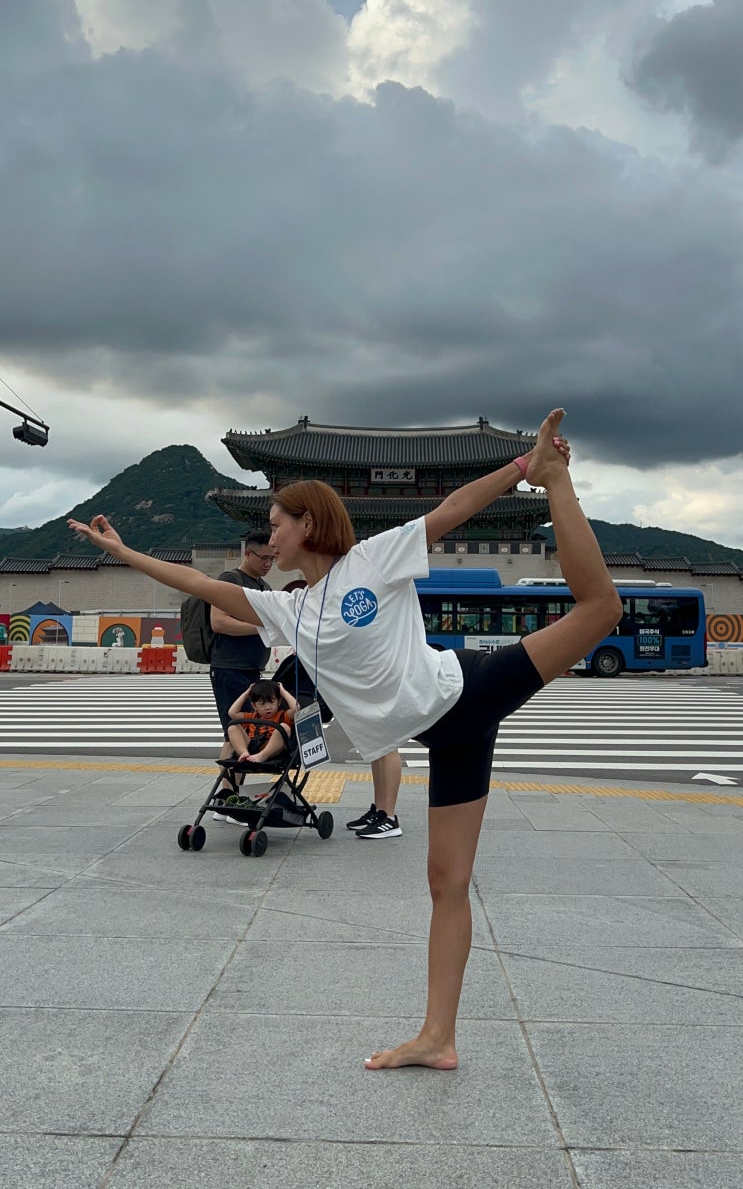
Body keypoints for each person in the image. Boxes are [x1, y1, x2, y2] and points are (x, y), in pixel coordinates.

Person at [69, 409, 621, 1072]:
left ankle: (561, 480)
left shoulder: (372, 559)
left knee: (601, 611)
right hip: (445, 740)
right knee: (445, 880)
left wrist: (525, 469)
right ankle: (437, 1037)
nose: (268, 534)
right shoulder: (288, 608)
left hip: (469, 687)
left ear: (307, 523)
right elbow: (201, 584)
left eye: (276, 521)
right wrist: (126, 554)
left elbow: (451, 508)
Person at [209, 532, 274, 772]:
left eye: (272, 559)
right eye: (263, 558)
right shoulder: (230, 579)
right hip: (229, 667)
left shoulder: (263, 585)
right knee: (234, 732)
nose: (268, 564)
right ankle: (226, 796)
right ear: (248, 553)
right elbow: (219, 622)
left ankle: (231, 794)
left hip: (251, 669)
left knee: (247, 732)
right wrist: (263, 628)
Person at [226, 679, 297, 765]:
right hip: (252, 747)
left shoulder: (283, 716)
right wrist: (246, 694)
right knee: (233, 726)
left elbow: (296, 709)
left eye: (272, 702)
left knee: (285, 727)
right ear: (254, 706)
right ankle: (244, 753)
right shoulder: (252, 716)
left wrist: (282, 691)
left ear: (279, 702)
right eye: (262, 704)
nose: (268, 707)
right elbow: (232, 713)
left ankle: (263, 755)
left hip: (273, 750)